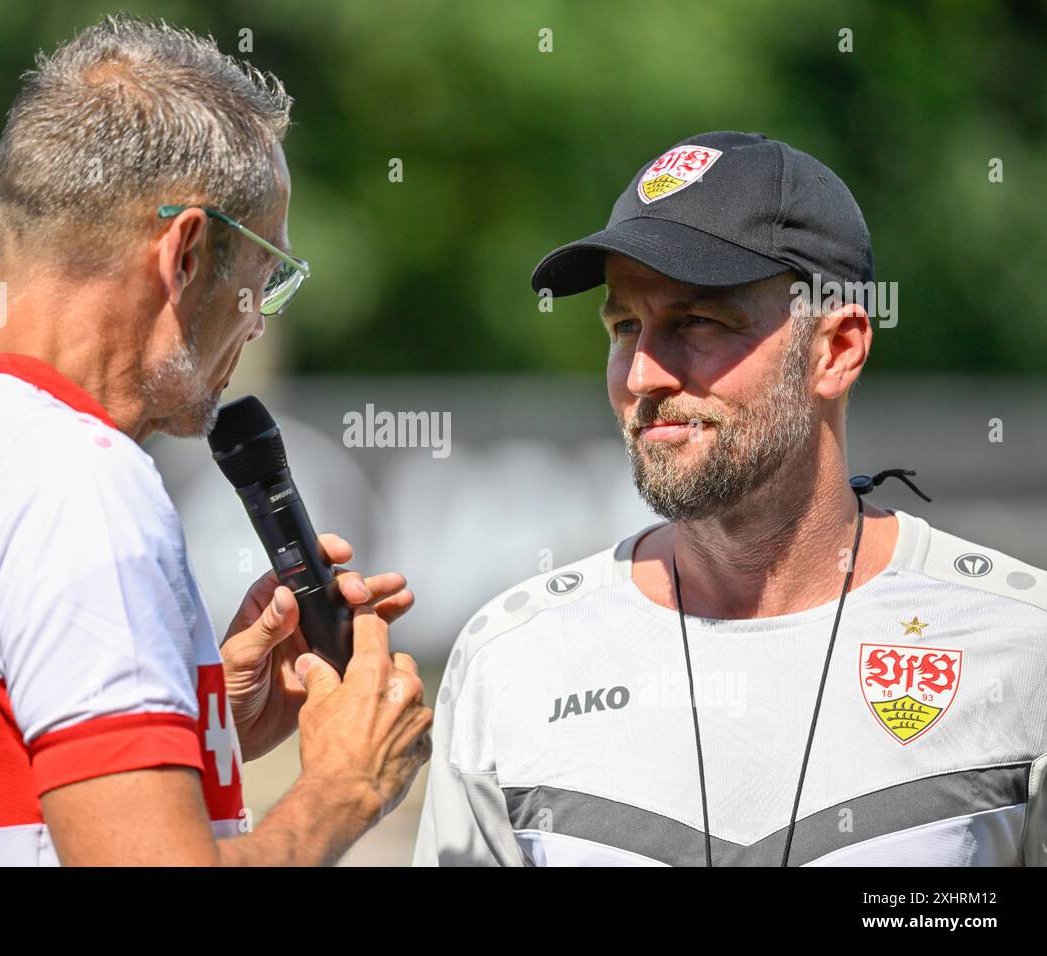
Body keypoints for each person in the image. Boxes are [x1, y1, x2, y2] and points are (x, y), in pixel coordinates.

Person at [0, 14, 431, 866]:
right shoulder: (79, 479)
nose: (257, 324)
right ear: (185, 253)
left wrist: (193, 721)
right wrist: (345, 790)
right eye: (266, 278)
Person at [413, 131, 1047, 866]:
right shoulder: (514, 659)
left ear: (836, 350)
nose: (644, 374)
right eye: (626, 326)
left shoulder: (1020, 642)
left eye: (698, 322)